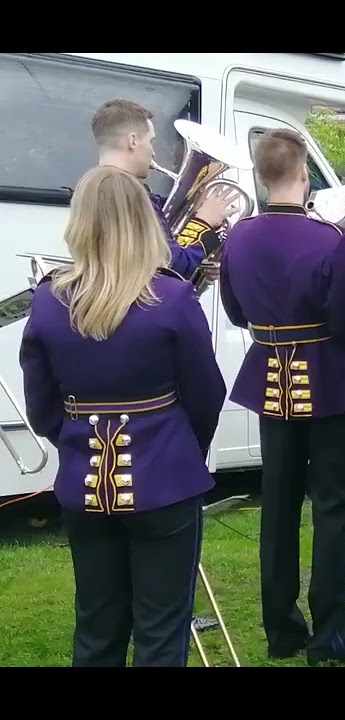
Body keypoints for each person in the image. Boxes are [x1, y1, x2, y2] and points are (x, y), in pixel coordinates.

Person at [18, 166, 226, 666]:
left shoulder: (49, 300)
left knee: (97, 628)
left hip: (84, 482)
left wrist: (75, 443)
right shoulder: (172, 296)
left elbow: (42, 406)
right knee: (160, 631)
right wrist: (182, 448)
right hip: (167, 479)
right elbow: (207, 393)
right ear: (142, 222)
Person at [218, 129, 345, 666]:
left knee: (279, 507)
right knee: (333, 509)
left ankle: (281, 631)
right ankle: (329, 635)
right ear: (304, 171)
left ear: (261, 176)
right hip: (329, 384)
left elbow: (237, 313)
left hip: (270, 378)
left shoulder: (237, 236)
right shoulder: (328, 237)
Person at [90, 99, 238, 282]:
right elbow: (173, 266)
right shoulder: (131, 196)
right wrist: (204, 224)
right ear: (133, 141)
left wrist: (202, 258)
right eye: (151, 141)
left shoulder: (91, 187)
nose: (153, 152)